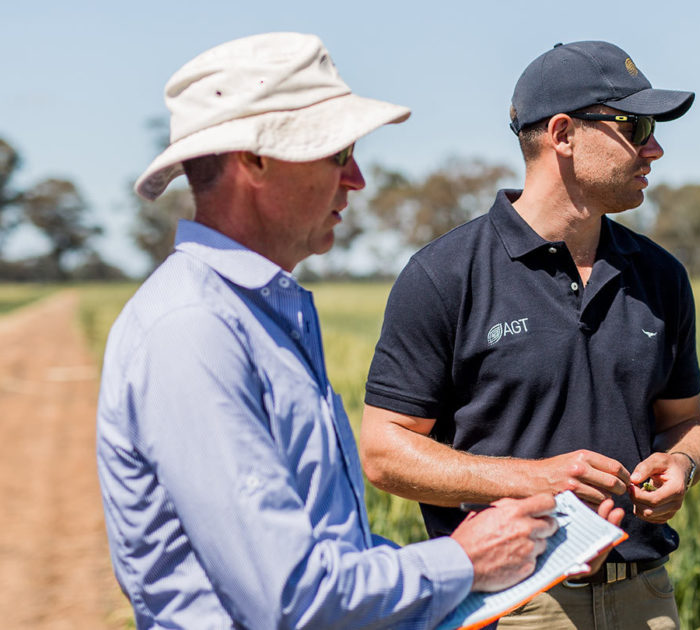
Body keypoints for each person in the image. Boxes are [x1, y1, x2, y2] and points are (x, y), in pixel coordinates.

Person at [96, 33, 602, 629]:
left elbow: (326, 557)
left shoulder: (252, 314)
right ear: (254, 161)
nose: (357, 178)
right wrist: (464, 560)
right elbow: (291, 598)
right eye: (337, 154)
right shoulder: (194, 331)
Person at [361, 41, 700, 629]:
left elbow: (687, 422)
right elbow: (382, 452)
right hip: (513, 604)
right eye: (636, 126)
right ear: (563, 133)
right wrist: (534, 480)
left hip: (647, 601)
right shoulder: (444, 275)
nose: (655, 147)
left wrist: (683, 465)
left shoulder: (661, 276)